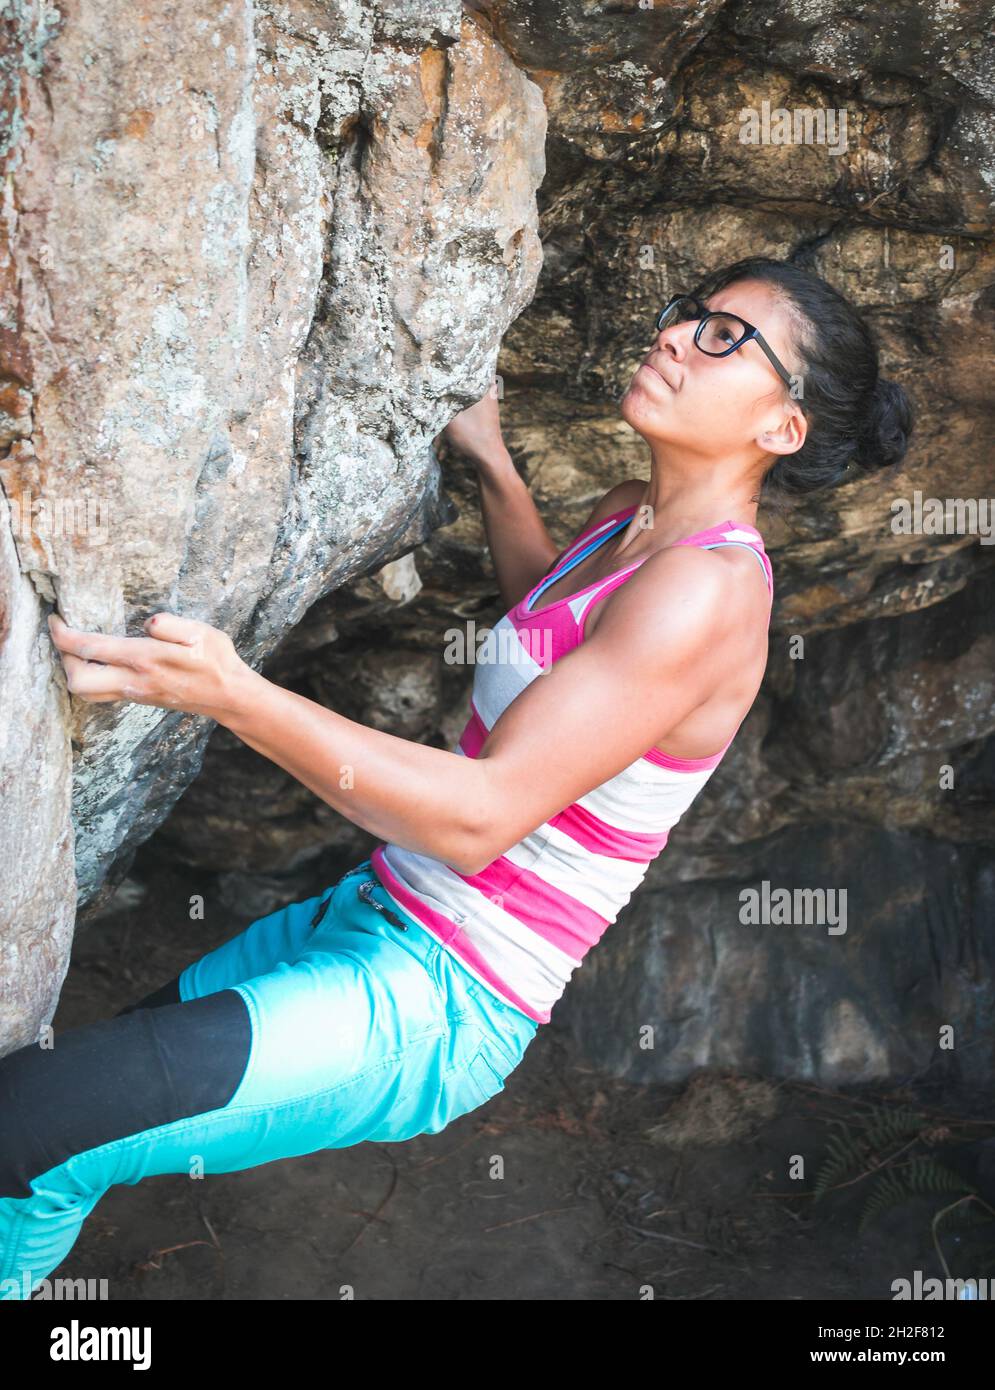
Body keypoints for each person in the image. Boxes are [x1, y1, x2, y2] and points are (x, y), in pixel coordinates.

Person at [0, 256, 914, 1298]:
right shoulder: (629, 518)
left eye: (722, 337)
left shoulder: (706, 591)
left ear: (780, 426)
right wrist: (493, 466)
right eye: (687, 316)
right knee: (96, 1094)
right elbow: (554, 636)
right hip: (368, 913)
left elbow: (481, 819)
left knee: (27, 1129)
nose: (673, 337)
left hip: (440, 999)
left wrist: (231, 692)